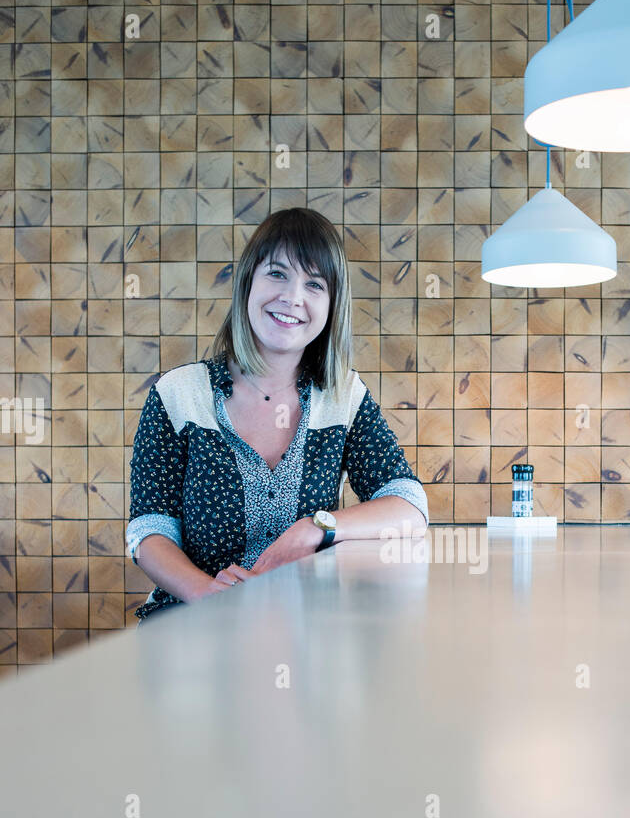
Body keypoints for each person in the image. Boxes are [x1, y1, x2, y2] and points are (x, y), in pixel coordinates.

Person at [126, 208, 429, 623]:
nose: (293, 298)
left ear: (331, 305)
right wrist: (208, 592)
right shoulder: (177, 395)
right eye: (277, 274)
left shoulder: (342, 396)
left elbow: (409, 506)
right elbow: (148, 530)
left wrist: (316, 527)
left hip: (303, 635)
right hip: (191, 630)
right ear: (248, 281)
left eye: (314, 284)